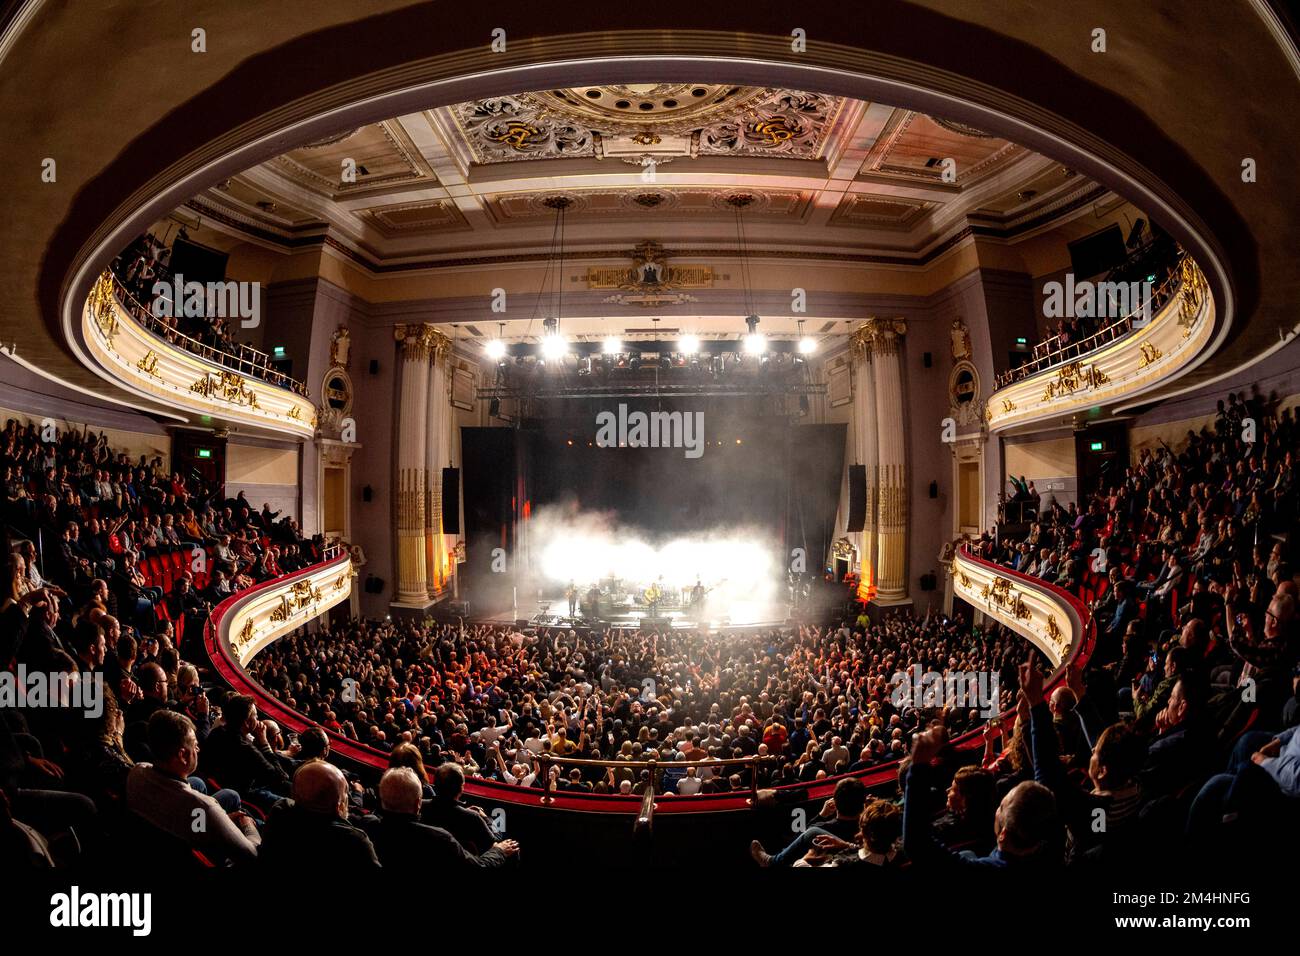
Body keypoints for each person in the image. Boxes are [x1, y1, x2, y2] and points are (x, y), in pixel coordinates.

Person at [124, 710, 259, 864]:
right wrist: (248, 827)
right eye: (195, 745)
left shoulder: (137, 771)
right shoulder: (205, 807)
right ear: (182, 755)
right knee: (240, 807)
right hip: (202, 855)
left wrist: (218, 821)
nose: (198, 749)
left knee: (226, 793)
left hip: (159, 842)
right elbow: (252, 854)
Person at [363, 768, 517, 869]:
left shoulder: (368, 826)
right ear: (417, 803)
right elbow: (479, 865)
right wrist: (498, 848)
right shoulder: (442, 837)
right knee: (501, 821)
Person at [258, 760, 378, 868]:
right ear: (339, 806)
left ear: (294, 794)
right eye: (346, 793)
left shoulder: (280, 811)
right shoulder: (356, 841)